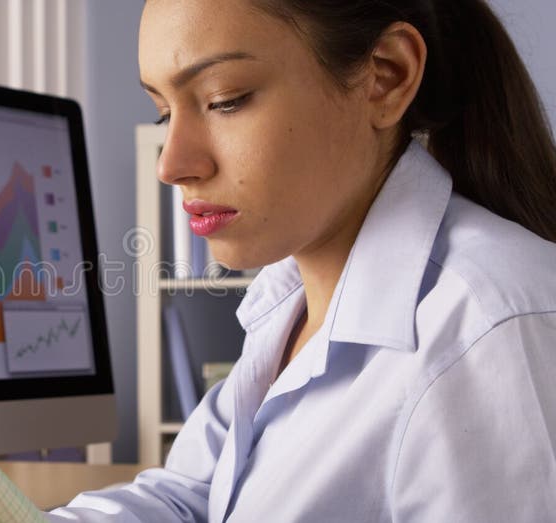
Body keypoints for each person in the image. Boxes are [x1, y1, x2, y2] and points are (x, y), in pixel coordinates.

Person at [48, 0, 556, 521]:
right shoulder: (292, 299)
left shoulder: (489, 330)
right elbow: (193, 496)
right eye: (162, 111)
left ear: (386, 76)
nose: (171, 164)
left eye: (226, 100)